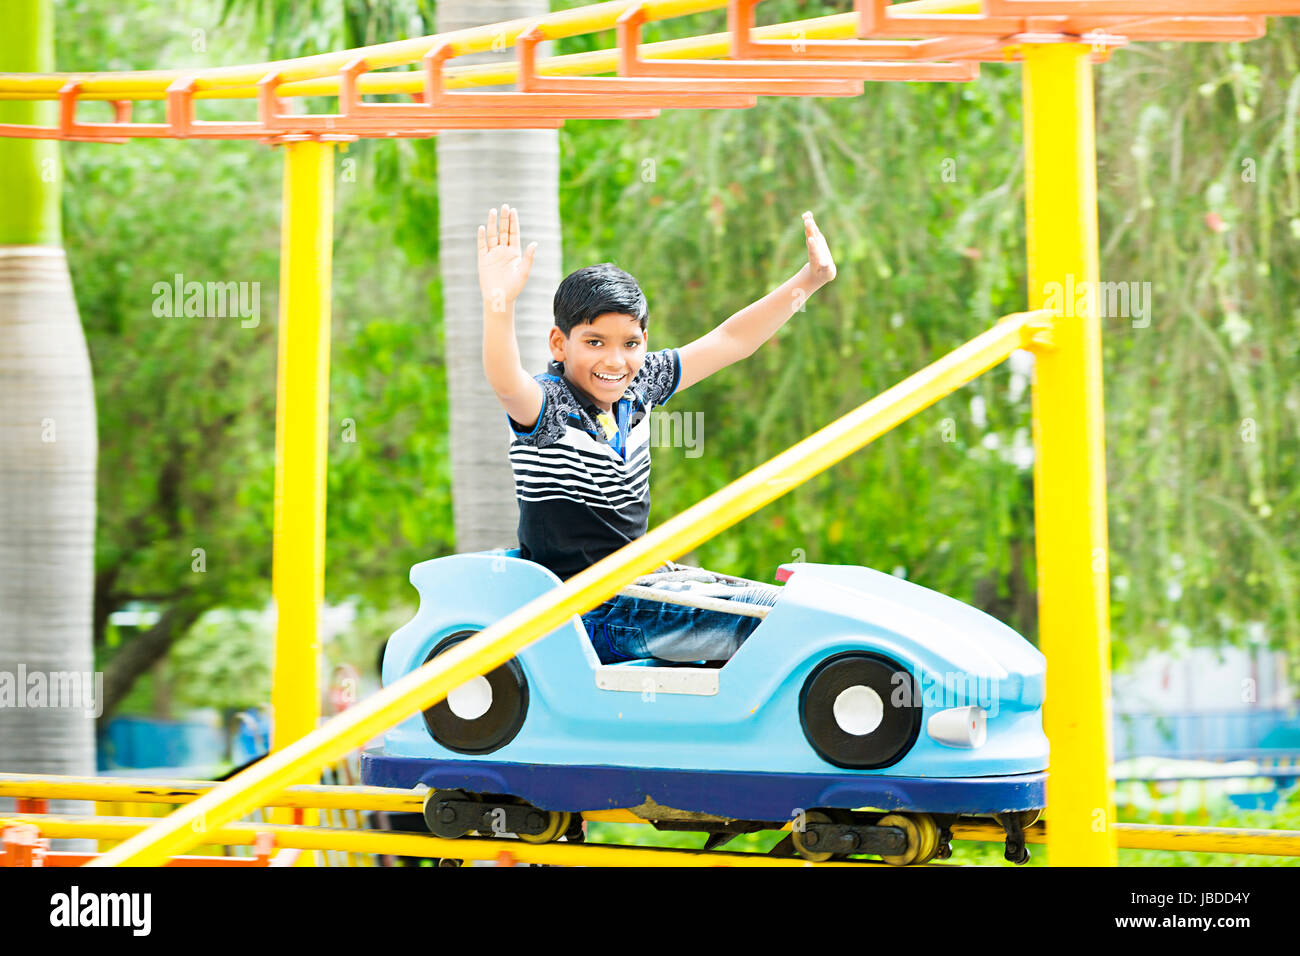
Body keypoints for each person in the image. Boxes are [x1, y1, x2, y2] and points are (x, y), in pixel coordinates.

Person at [477, 202, 837, 664]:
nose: (614, 360)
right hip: (587, 614)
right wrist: (499, 300)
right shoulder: (549, 407)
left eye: (630, 344)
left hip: (644, 587)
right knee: (786, 627)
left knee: (806, 609)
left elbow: (731, 341)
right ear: (558, 344)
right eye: (594, 343)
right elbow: (506, 380)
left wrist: (810, 280)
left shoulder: (641, 382)